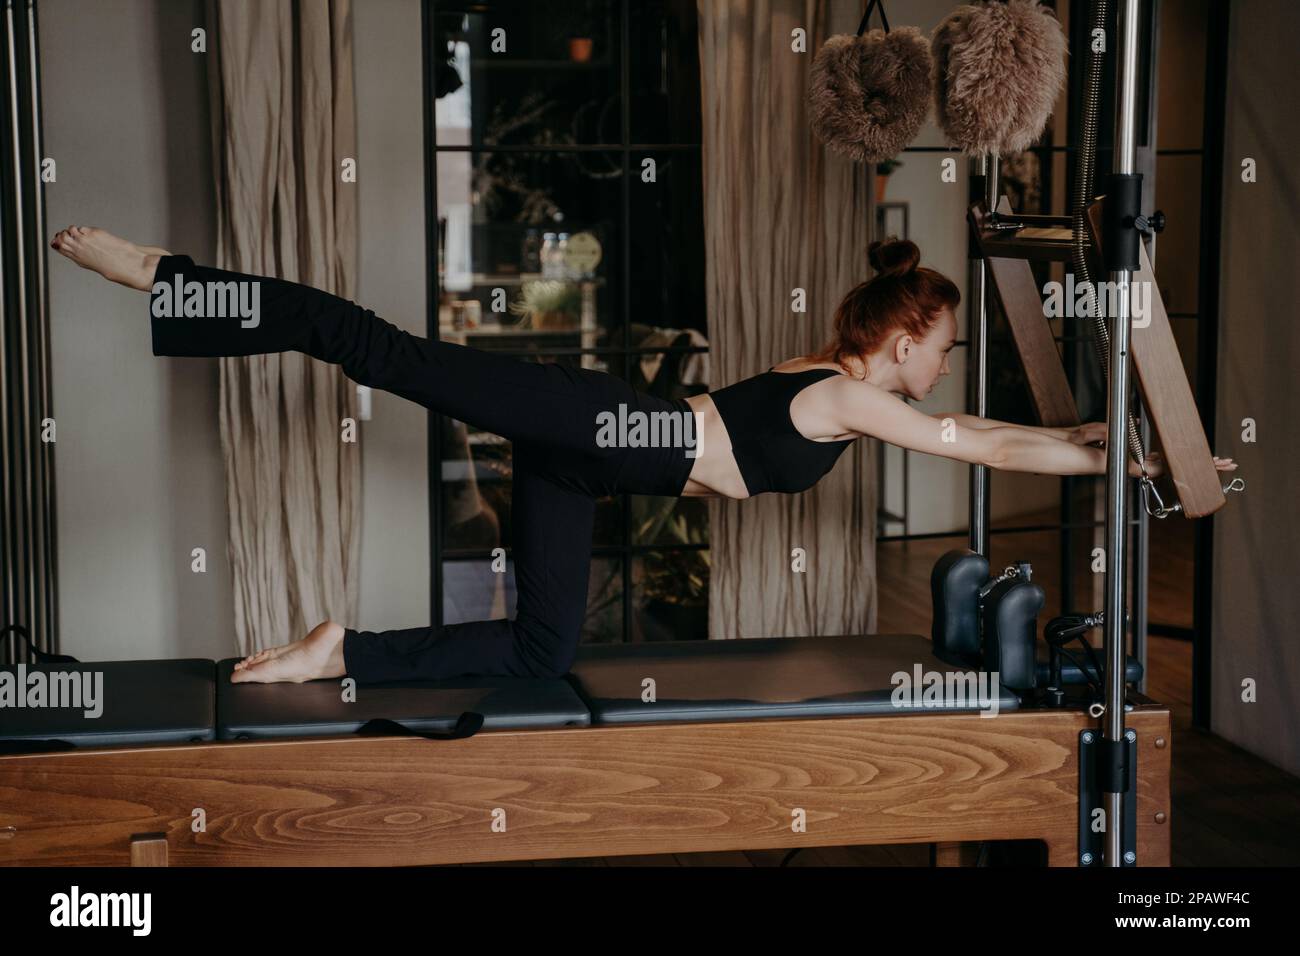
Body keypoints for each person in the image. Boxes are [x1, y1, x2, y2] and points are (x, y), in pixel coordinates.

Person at [50, 226, 1237, 685]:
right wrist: (1099, 464)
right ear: (901, 337)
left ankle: (338, 648)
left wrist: (1097, 439)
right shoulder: (848, 393)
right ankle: (167, 277)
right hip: (612, 425)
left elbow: (966, 425)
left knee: (540, 647)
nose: (945, 365)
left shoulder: (816, 372)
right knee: (379, 350)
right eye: (942, 344)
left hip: (592, 462)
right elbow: (962, 437)